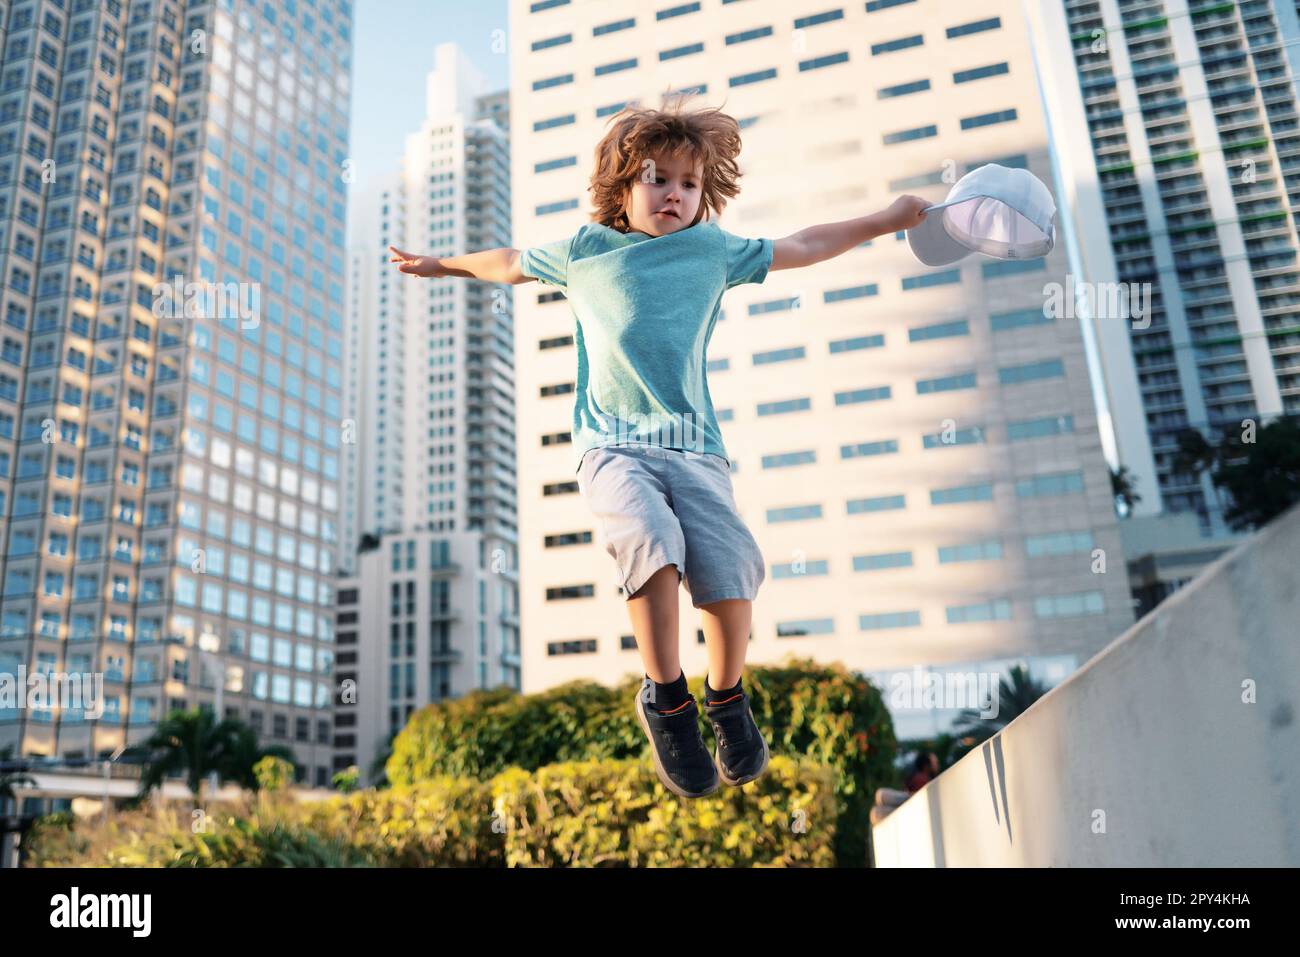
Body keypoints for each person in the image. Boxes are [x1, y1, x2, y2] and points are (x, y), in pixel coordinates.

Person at [389, 97, 929, 800]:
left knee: (732, 570)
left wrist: (885, 220)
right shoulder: (586, 250)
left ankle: (727, 698)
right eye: (657, 178)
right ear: (622, 188)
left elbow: (803, 244)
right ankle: (668, 700)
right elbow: (510, 261)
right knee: (651, 542)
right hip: (612, 445)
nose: (674, 192)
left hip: (696, 447)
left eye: (689, 183)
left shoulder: (712, 250)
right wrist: (442, 266)